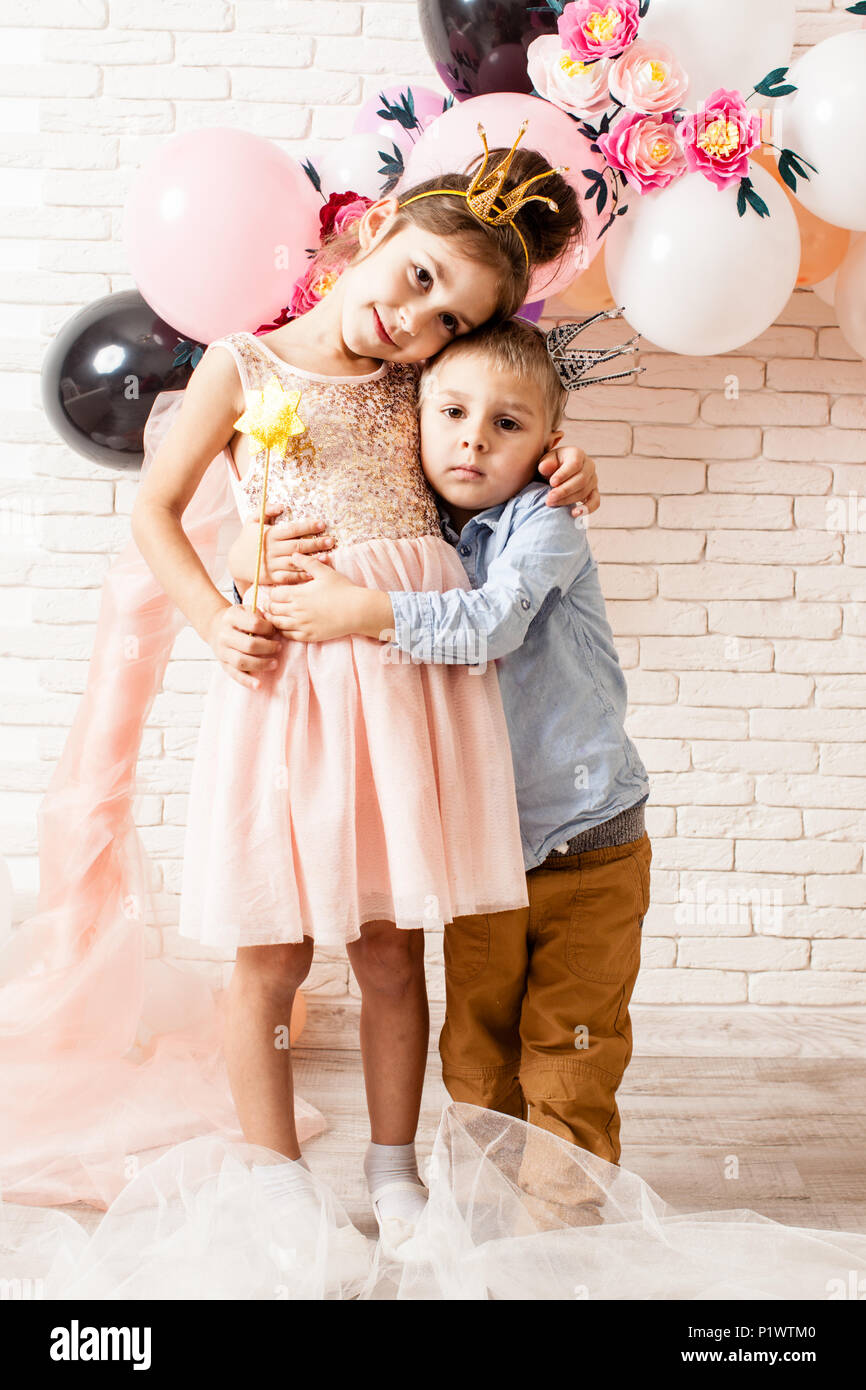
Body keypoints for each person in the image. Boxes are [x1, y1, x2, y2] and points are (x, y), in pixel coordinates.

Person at [129, 128, 590, 1255]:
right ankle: (275, 1177)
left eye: (448, 322)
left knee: (390, 947)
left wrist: (567, 465)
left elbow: (494, 439)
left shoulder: (421, 383)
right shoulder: (242, 364)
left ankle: (394, 1173)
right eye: (419, 280)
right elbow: (155, 507)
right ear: (372, 231)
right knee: (272, 951)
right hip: (290, 685)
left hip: (399, 688)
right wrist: (217, 606)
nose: (418, 322)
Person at [230, 313, 651, 1177]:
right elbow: (306, 521)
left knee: (569, 1046)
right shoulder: (428, 526)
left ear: (548, 443)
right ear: (416, 420)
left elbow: (492, 623)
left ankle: (563, 1235)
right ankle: (485, 1216)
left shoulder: (547, 523)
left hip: (582, 838)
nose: (472, 443)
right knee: (476, 1047)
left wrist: (369, 612)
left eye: (507, 424)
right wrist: (245, 557)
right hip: (481, 843)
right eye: (452, 415)